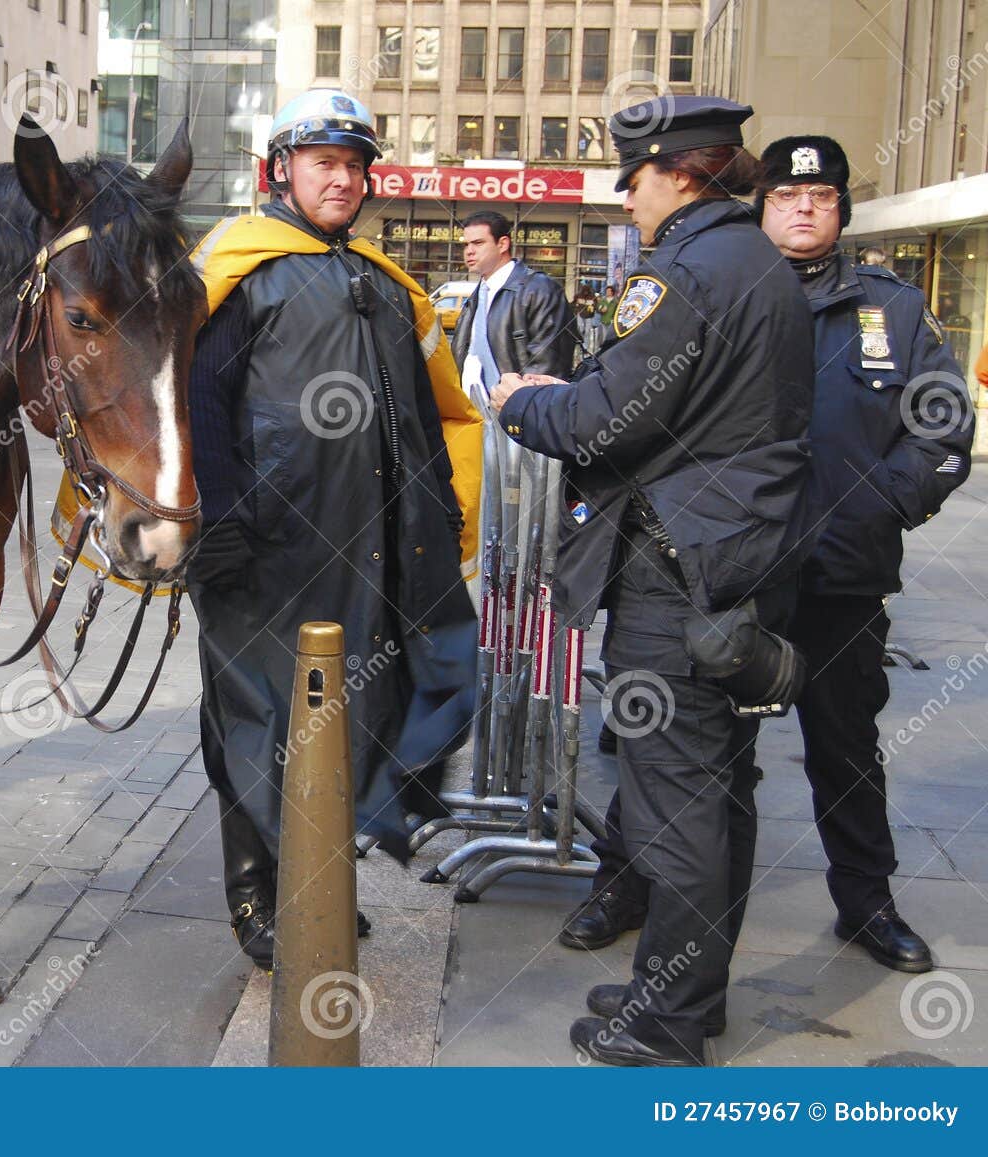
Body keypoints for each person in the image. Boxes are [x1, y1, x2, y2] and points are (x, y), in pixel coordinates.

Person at [489, 96, 816, 1065]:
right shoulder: (758, 260)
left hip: (676, 576)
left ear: (674, 172)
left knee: (678, 805)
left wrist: (524, 403)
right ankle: (687, 992)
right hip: (737, 560)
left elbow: (602, 420)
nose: (624, 197)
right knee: (720, 795)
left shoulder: (681, 271)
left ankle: (666, 1022)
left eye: (630, 179)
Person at [185, 89, 483, 969]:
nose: (343, 180)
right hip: (266, 555)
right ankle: (255, 892)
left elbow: (425, 417)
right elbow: (199, 401)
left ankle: (315, 884)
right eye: (324, 163)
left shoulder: (388, 288)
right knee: (258, 722)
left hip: (372, 551)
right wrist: (223, 518)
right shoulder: (239, 269)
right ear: (282, 170)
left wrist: (440, 505)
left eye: (355, 166)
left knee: (353, 721)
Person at [753, 135, 972, 969]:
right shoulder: (725, 293)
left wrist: (882, 502)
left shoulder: (896, 307)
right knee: (695, 746)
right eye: (785, 196)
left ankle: (866, 901)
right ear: (762, 206)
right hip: (735, 576)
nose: (804, 207)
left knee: (845, 746)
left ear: (841, 210)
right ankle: (636, 885)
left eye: (821, 197)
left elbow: (944, 421)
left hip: (843, 577)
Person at [449, 211, 576, 397]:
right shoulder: (478, 295)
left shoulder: (540, 289)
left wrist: (518, 409)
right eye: (466, 244)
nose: (469, 251)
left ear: (502, 244)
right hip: (476, 415)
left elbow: (547, 368)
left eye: (478, 243)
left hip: (516, 415)